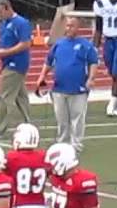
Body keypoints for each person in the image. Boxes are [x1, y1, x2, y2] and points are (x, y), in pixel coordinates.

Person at [33, 16, 97, 151]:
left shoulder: (86, 45)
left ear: (78, 27)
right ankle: (62, 141)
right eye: (67, 26)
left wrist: (91, 78)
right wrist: (41, 76)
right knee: (61, 118)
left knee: (77, 118)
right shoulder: (59, 44)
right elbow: (49, 61)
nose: (69, 28)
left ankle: (76, 144)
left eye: (72, 26)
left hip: (78, 88)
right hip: (59, 88)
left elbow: (93, 62)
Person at [0, 0, 32, 138]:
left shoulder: (21, 23)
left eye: (0, 12)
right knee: (21, 96)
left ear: (7, 8)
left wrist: (7, 52)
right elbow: (1, 40)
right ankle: (28, 124)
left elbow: (25, 43)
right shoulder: (4, 23)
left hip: (16, 63)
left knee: (4, 95)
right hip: (8, 62)